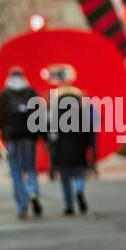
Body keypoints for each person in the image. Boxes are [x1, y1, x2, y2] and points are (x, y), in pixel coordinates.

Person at [0, 65, 43, 219]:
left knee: (16, 172)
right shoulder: (31, 93)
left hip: (12, 139)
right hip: (29, 138)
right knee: (30, 169)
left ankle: (22, 204)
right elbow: (39, 116)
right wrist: (40, 135)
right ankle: (32, 190)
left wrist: (5, 132)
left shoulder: (3, 96)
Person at [48, 86, 96, 215]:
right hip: (78, 151)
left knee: (65, 181)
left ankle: (69, 205)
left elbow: (52, 138)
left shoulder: (55, 114)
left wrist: (52, 163)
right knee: (79, 175)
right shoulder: (82, 112)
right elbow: (89, 135)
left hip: (61, 153)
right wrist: (89, 151)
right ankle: (79, 190)